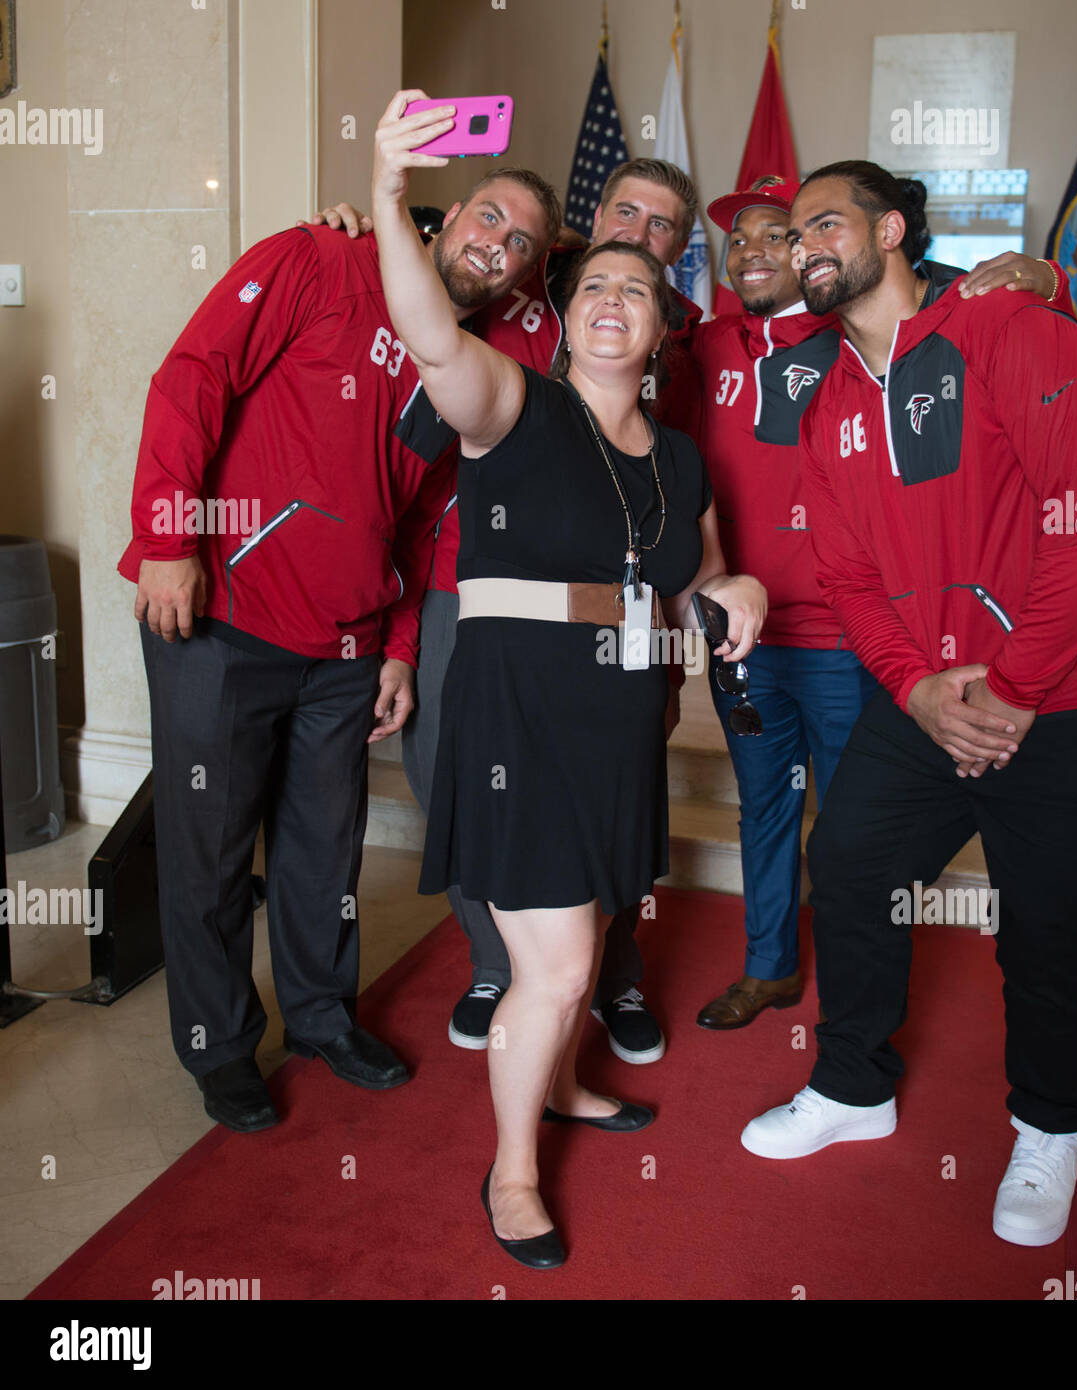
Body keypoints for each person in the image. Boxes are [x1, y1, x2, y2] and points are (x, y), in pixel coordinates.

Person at [740, 161, 1077, 1249]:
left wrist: (1016, 687)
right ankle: (853, 1084)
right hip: (932, 687)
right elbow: (848, 577)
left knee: (1045, 912)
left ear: (891, 230)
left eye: (826, 222)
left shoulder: (1014, 332)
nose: (801, 243)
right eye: (790, 231)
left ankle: (1053, 1120)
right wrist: (911, 685)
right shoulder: (825, 396)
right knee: (849, 860)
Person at [371, 92, 765, 1267]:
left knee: (587, 933)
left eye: (633, 290)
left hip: (619, 710)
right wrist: (390, 194)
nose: (609, 301)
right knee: (552, 961)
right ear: (564, 314)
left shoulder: (680, 453)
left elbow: (696, 583)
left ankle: (568, 1082)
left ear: (660, 329)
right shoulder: (512, 405)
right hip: (520, 713)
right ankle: (512, 1170)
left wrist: (731, 596)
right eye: (591, 285)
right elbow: (429, 332)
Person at [120, 166, 557, 1133]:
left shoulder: (462, 365)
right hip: (222, 612)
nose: (499, 242)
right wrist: (166, 541)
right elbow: (192, 379)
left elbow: (419, 525)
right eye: (491, 215)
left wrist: (399, 648)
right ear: (448, 217)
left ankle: (321, 1017)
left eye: (523, 241)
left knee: (326, 853)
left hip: (348, 644)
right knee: (212, 853)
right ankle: (220, 1046)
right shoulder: (321, 256)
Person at [312, 156, 706, 1062]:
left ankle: (606, 976)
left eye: (659, 232)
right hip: (475, 597)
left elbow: (678, 527)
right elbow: (414, 486)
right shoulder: (510, 306)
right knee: (467, 781)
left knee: (607, 802)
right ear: (588, 224)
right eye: (625, 215)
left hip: (622, 617)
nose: (636, 238)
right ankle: (504, 966)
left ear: (677, 261)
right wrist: (377, 220)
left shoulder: (666, 333)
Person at [691, 176, 1068, 1030]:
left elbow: (961, 300)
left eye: (781, 233)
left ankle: (856, 1001)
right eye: (740, 238)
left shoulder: (861, 332)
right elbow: (590, 311)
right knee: (766, 806)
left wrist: (1050, 280)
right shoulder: (703, 345)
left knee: (860, 828)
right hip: (740, 642)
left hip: (843, 636)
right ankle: (769, 967)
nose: (757, 249)